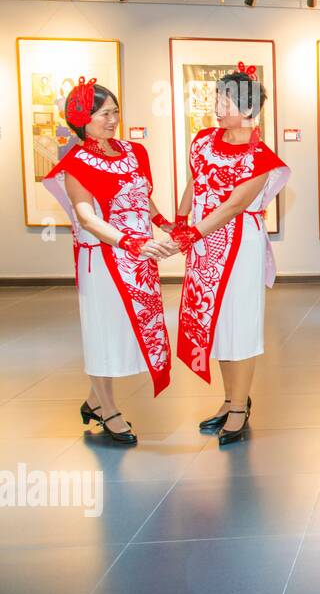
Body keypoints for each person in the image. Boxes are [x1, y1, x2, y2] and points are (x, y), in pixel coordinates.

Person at [42, 77, 173, 445]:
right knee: (103, 333)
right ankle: (108, 409)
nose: (112, 119)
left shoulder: (134, 152)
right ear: (82, 118)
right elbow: (87, 217)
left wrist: (163, 223)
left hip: (138, 257)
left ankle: (92, 399)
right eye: (103, 113)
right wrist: (129, 241)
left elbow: (141, 196)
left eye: (115, 111)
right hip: (103, 259)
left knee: (129, 330)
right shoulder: (76, 163)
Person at [167, 63, 291, 444]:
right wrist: (180, 220)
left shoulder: (260, 156)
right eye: (217, 99)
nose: (217, 107)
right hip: (204, 243)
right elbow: (195, 183)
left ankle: (239, 407)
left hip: (239, 244)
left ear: (250, 110)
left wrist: (188, 235)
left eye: (226, 101)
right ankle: (228, 397)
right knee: (216, 321)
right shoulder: (203, 141)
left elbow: (233, 206)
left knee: (241, 323)